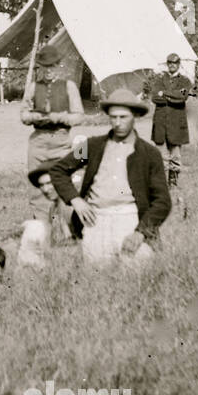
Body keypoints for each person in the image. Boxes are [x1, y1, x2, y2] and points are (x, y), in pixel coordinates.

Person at [48, 88, 170, 264]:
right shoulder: (91, 146)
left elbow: (163, 201)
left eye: (123, 117)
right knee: (96, 273)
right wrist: (75, 200)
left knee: (137, 268)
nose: (118, 123)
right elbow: (58, 170)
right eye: (114, 117)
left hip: (130, 219)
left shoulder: (149, 153)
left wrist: (140, 232)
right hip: (95, 219)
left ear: (135, 116)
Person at [20, 46, 84, 173]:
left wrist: (61, 117)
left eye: (52, 66)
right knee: (37, 181)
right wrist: (34, 117)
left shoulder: (69, 86)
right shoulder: (33, 87)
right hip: (38, 142)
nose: (49, 70)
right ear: (41, 67)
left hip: (61, 142)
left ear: (58, 65)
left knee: (61, 182)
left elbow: (79, 116)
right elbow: (23, 114)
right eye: (45, 66)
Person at [16, 164, 76, 269]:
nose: (46, 189)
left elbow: (72, 242)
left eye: (49, 183)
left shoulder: (69, 205)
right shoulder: (54, 207)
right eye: (41, 185)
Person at [150, 52, 192, 188]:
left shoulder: (185, 81)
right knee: (160, 157)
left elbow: (182, 97)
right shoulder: (160, 80)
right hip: (161, 122)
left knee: (175, 157)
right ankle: (162, 185)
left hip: (176, 123)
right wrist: (173, 95)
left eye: (175, 63)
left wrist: (165, 93)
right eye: (170, 63)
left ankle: (173, 184)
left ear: (179, 65)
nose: (172, 66)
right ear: (167, 65)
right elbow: (155, 97)